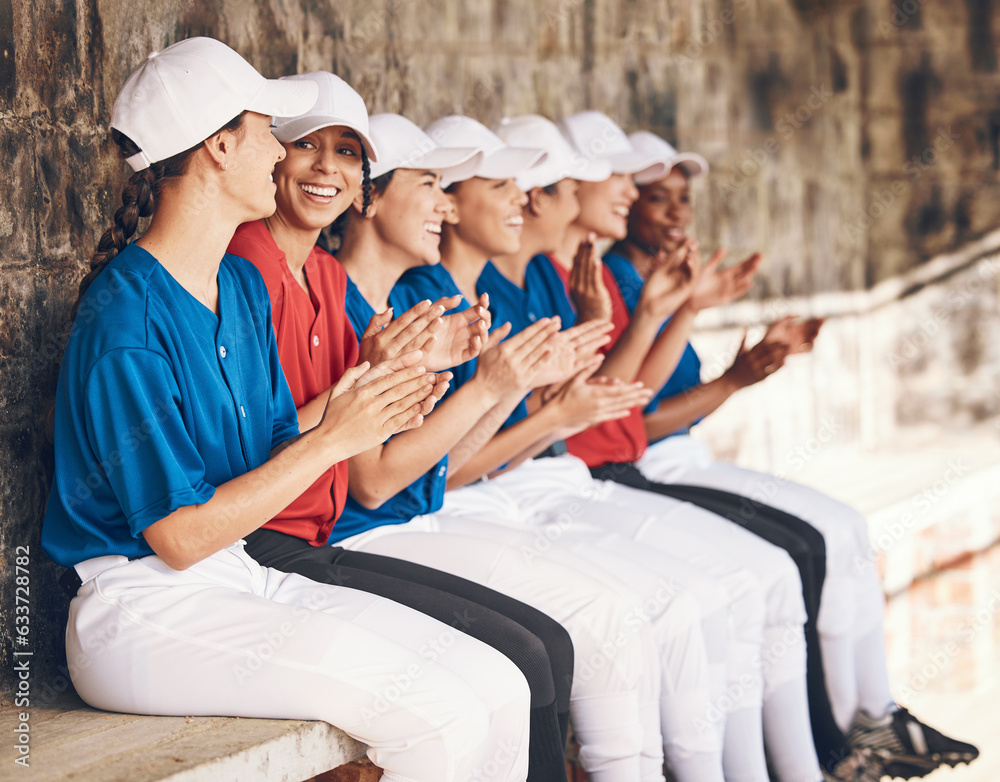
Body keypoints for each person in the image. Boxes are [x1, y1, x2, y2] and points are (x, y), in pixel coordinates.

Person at [40, 37, 532, 782]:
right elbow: (176, 537)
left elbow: (278, 437)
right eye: (269, 130)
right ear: (217, 146)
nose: (280, 149)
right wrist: (337, 438)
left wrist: (374, 385)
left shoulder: (233, 292)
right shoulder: (126, 323)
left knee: (494, 680)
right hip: (142, 611)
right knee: (441, 713)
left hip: (229, 576)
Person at [225, 70, 576, 782]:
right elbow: (360, 477)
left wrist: (449, 381)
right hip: (272, 543)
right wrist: (470, 388)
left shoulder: (322, 277)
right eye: (303, 146)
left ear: (362, 183)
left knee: (539, 652)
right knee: (512, 668)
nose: (326, 167)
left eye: (348, 153)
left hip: (317, 536)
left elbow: (395, 454)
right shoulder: (243, 273)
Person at [315, 108, 675, 782]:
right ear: (369, 199)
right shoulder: (351, 301)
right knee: (564, 641)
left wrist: (513, 391)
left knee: (619, 618)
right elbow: (373, 484)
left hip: (417, 517)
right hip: (364, 534)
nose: (445, 205)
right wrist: (504, 390)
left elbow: (440, 464)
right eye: (430, 184)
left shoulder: (385, 302)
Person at [609, 128, 981, 781]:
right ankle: (842, 744)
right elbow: (629, 426)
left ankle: (875, 718)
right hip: (639, 472)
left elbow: (666, 407)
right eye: (655, 198)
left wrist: (748, 362)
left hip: (679, 455)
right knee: (793, 558)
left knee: (846, 527)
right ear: (622, 202)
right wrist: (735, 376)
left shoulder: (663, 278)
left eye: (683, 199)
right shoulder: (612, 280)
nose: (675, 212)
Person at [484, 112, 841, 782]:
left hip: (573, 473)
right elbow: (605, 425)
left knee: (781, 564)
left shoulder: (560, 275)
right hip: (560, 479)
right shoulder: (566, 276)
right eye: (612, 177)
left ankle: (816, 760)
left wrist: (674, 312)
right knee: (696, 601)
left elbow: (611, 408)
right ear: (544, 194)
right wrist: (685, 332)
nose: (624, 191)